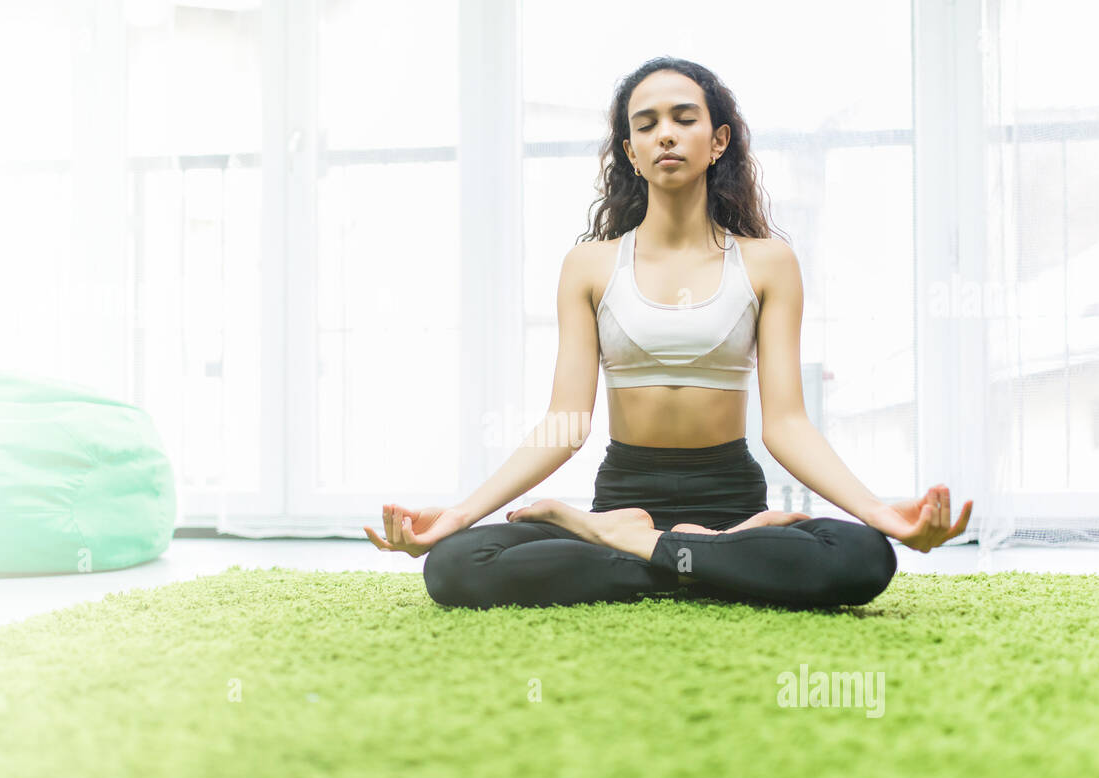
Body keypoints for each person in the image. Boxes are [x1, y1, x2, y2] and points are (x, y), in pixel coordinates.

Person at [364, 56, 970, 610]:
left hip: (729, 499)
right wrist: (461, 514)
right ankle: (707, 560)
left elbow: (785, 425)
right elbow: (566, 422)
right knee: (455, 565)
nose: (667, 134)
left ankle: (626, 546)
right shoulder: (590, 266)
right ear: (631, 151)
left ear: (718, 141)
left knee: (865, 557)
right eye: (647, 124)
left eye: (684, 118)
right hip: (629, 490)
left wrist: (882, 515)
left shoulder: (768, 262)